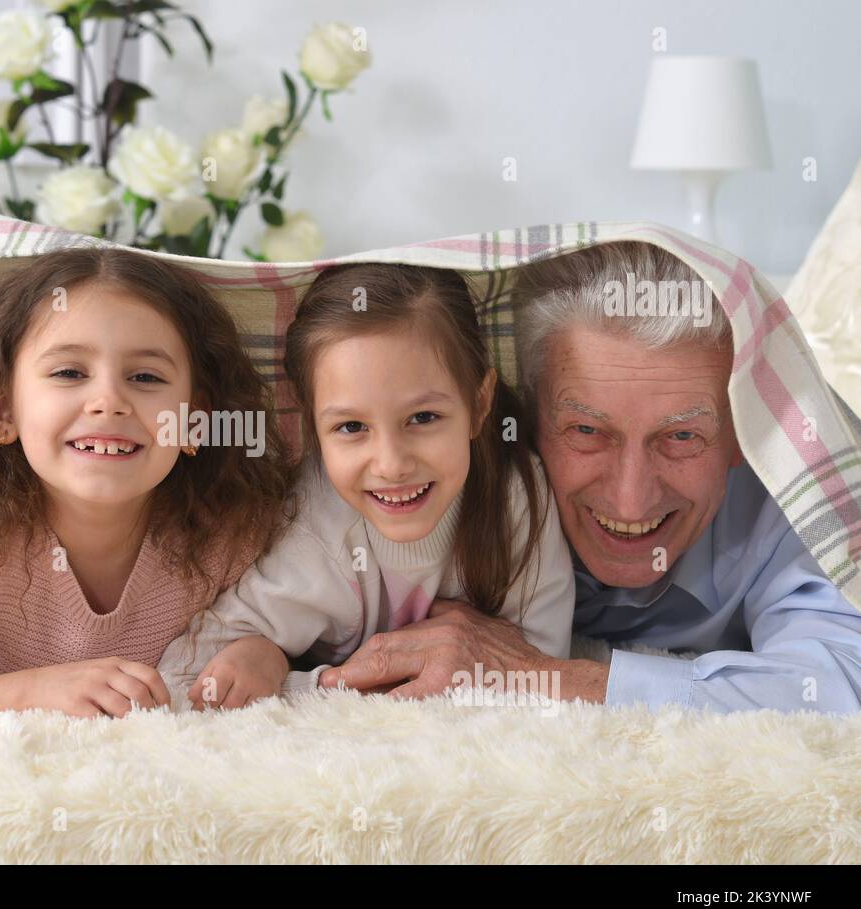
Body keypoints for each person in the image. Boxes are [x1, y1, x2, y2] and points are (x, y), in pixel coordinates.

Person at [320, 242, 861, 713]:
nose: (630, 501)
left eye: (681, 437)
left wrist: (538, 677)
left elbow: (838, 688)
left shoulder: (799, 487)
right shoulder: (418, 476)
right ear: (526, 416)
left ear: (744, 433)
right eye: (585, 429)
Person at [0, 246, 294, 717]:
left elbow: (306, 650)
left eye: (145, 376)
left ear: (194, 422)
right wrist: (33, 693)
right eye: (69, 372)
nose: (108, 401)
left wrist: (268, 655)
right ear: (4, 413)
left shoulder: (237, 529)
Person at [158, 263, 573, 710]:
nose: (392, 465)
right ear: (311, 425)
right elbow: (182, 675)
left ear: (479, 404)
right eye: (352, 426)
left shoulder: (518, 501)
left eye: (423, 418)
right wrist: (271, 660)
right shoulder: (314, 528)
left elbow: (546, 677)